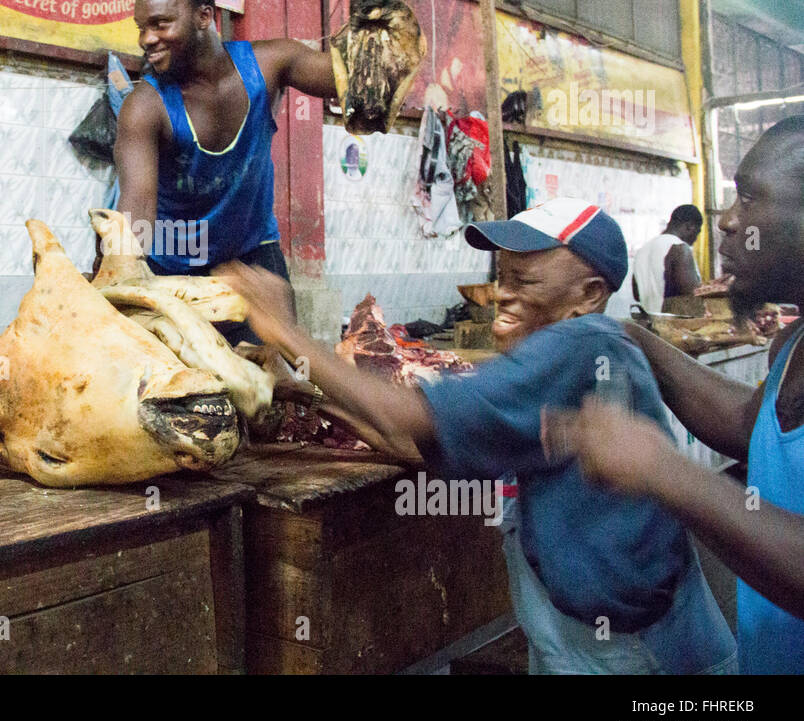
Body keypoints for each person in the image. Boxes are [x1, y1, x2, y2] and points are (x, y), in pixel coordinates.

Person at [220, 197, 736, 674]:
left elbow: (413, 418)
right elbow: (419, 443)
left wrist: (285, 330)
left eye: (526, 281)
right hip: (596, 637)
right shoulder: (579, 355)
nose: (502, 293)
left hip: (636, 655)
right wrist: (306, 394)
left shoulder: (578, 346)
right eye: (502, 276)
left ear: (589, 294)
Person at [543, 117, 804, 674]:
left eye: (752, 197)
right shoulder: (793, 343)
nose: (729, 220)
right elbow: (746, 423)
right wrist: (629, 338)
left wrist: (664, 471)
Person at [114, 0, 411, 342]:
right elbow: (136, 211)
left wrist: (385, 10)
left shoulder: (270, 64)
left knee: (280, 378)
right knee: (183, 389)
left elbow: (356, 81)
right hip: (173, 269)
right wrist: (116, 282)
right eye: (142, 28)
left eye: (160, 24)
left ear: (205, 16)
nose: (146, 39)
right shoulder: (145, 106)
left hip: (252, 256)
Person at [632, 204, 703, 313]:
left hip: (647, 324)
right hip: (673, 325)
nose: (696, 239)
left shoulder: (642, 251)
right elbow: (692, 295)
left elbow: (637, 295)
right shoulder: (679, 248)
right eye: (697, 232)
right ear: (689, 227)